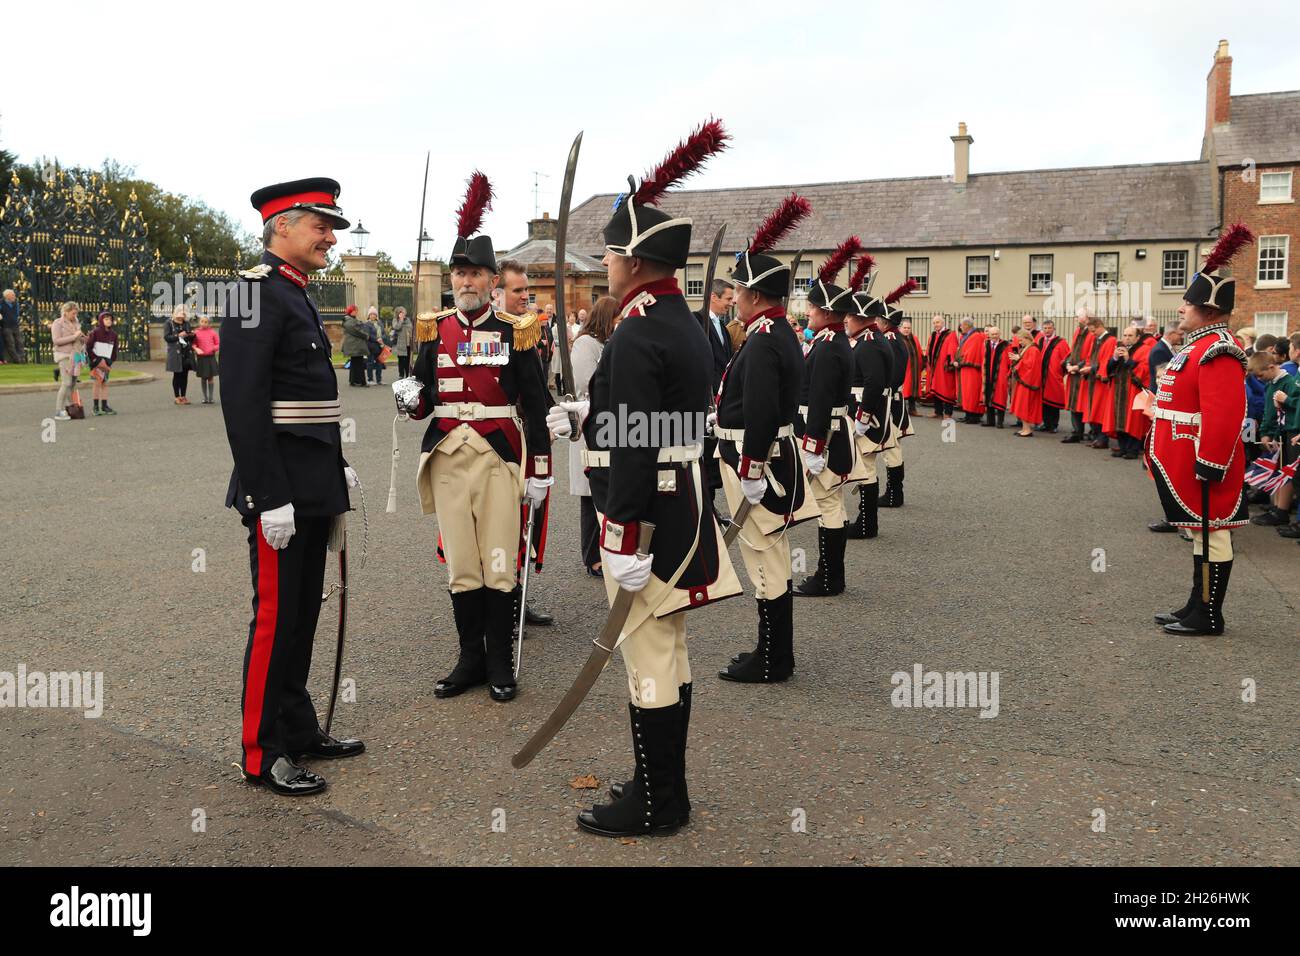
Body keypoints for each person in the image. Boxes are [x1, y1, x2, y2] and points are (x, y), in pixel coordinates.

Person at [550, 123, 739, 836]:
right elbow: (655, 424)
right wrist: (592, 416)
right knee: (671, 647)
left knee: (648, 654)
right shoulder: (680, 323)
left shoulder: (634, 332)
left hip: (648, 513)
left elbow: (635, 450)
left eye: (609, 251)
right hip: (682, 499)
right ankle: (667, 788)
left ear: (632, 259)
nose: (603, 261)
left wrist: (621, 535)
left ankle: (657, 803)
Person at [220, 176, 365, 796]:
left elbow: (307, 400)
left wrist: (335, 464)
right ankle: (261, 750)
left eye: (333, 226)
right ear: (282, 225)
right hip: (280, 488)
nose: (332, 236)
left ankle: (299, 728)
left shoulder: (297, 294)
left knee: (304, 614)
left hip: (312, 481)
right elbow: (244, 405)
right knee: (276, 619)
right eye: (321, 225)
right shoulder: (255, 293)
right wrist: (266, 494)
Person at [394, 173, 552, 705]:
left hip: (499, 453)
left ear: (491, 279)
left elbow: (534, 402)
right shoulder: (431, 328)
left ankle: (500, 661)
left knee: (500, 560)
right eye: (459, 272)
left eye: (475, 273)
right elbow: (421, 399)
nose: (465, 281)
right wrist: (409, 398)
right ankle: (469, 658)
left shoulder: (515, 329)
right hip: (446, 453)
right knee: (463, 562)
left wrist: (543, 466)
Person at [714, 194, 815, 682]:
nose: (733, 296)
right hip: (768, 456)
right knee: (768, 557)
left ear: (755, 294)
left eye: (737, 289)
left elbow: (757, 412)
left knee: (764, 560)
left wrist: (750, 468)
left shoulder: (763, 340)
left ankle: (773, 658)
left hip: (757, 461)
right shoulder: (775, 333)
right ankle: (773, 653)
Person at [1148, 224, 1254, 636]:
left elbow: (1224, 414)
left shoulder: (1219, 349)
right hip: (1184, 453)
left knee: (1214, 534)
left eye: (1188, 303)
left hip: (1204, 459)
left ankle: (1209, 615)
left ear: (1207, 309)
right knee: (1200, 533)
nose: (1180, 308)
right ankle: (1196, 604)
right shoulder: (1197, 345)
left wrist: (1210, 462)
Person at [792, 237, 860, 597]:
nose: (809, 311)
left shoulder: (831, 346)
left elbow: (819, 399)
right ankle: (830, 574)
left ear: (829, 314)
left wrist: (814, 447)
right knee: (829, 503)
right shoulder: (828, 341)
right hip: (826, 431)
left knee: (829, 503)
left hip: (826, 435)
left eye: (815, 308)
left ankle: (830, 577)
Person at [494, 257, 555, 627]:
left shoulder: (524, 331)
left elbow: (535, 390)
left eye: (526, 291)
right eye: (518, 291)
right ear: (496, 291)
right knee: (502, 523)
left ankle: (517, 595)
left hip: (527, 440)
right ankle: (500, 602)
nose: (525, 298)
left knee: (526, 521)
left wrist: (550, 419)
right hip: (501, 443)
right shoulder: (488, 334)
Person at [568, 296, 620, 576]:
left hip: (608, 425)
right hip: (588, 424)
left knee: (605, 494)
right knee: (590, 496)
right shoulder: (586, 343)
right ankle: (592, 557)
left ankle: (607, 551)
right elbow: (584, 383)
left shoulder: (607, 344)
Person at [843, 263, 894, 540]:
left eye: (850, 316)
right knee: (867, 467)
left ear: (861, 317)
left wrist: (862, 418)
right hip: (871, 411)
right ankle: (866, 520)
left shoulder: (871, 342)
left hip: (869, 414)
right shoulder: (871, 338)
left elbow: (873, 383)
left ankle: (866, 523)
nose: (846, 321)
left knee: (867, 468)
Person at [696, 278, 735, 508]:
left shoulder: (723, 326)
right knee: (706, 457)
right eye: (728, 299)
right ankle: (705, 508)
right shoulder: (697, 321)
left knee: (714, 457)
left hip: (719, 400)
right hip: (705, 400)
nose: (731, 303)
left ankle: (710, 507)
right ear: (713, 296)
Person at [1106, 324, 1152, 459]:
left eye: (1130, 335)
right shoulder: (1120, 348)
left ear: (1138, 337)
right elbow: (1108, 369)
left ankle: (1132, 450)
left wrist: (1128, 359)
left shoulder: (1145, 349)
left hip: (1133, 391)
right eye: (1125, 335)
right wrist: (1114, 358)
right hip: (1118, 389)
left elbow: (1144, 370)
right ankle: (1122, 447)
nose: (1127, 338)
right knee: (1119, 419)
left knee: (1133, 421)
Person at [1081, 314, 1116, 448]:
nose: (1092, 334)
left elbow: (1106, 361)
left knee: (1101, 410)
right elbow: (1090, 357)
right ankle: (1096, 437)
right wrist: (1087, 366)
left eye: (1093, 330)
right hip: (1093, 379)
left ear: (1100, 327)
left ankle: (1102, 439)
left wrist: (1091, 369)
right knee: (1093, 409)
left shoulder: (1110, 340)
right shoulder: (1097, 340)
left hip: (1101, 381)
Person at [1061, 307, 1095, 443]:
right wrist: (1068, 363)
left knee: (1086, 404)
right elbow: (1072, 350)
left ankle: (1093, 431)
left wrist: (1078, 366)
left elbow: (1091, 355)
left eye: (1078, 317)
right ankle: (1077, 431)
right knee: (1074, 404)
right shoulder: (1077, 332)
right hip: (1074, 373)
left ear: (1085, 318)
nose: (1076, 319)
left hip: (1083, 374)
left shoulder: (1091, 334)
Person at [50, 301, 85, 421]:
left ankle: (72, 408)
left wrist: (83, 338)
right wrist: (74, 336)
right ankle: (58, 411)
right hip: (64, 355)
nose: (74, 316)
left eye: (76, 313)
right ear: (66, 312)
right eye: (73, 313)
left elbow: (78, 339)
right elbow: (56, 340)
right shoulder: (57, 323)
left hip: (76, 356)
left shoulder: (76, 323)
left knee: (73, 383)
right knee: (66, 383)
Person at [84, 310, 120, 415]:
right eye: (106, 319)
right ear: (101, 320)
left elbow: (114, 350)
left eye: (110, 319)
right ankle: (95, 407)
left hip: (107, 362)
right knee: (97, 383)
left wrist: (111, 361)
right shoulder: (95, 332)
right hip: (97, 362)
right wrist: (95, 359)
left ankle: (104, 406)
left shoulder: (114, 335)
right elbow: (89, 347)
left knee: (105, 383)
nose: (109, 321)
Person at [1037, 318, 1069, 432]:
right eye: (1045, 328)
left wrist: (1062, 373)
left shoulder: (1061, 342)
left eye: (1049, 328)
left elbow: (1066, 358)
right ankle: (1046, 423)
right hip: (1042, 376)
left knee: (1053, 402)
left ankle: (1054, 425)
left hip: (1054, 376)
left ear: (1054, 329)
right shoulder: (1040, 341)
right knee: (1043, 402)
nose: (1047, 330)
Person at [1008, 329, 1042, 436]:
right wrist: (1018, 359)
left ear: (1027, 338)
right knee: (1021, 405)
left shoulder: (1033, 350)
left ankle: (1027, 429)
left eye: (1021, 340)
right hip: (1023, 381)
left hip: (1028, 383)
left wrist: (1019, 359)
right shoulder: (1028, 348)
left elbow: (1031, 367)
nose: (1020, 342)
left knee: (1025, 406)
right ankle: (1024, 428)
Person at [954, 317, 988, 423]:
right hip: (966, 368)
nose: (960, 327)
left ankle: (974, 415)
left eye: (962, 325)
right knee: (967, 393)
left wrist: (960, 361)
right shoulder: (969, 336)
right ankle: (968, 413)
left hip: (972, 369)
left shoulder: (976, 336)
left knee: (972, 393)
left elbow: (972, 352)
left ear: (967, 326)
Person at [925, 314, 957, 419]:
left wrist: (950, 362)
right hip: (934, 368)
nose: (936, 325)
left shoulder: (950, 334)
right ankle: (938, 412)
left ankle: (948, 413)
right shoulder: (933, 335)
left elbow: (952, 348)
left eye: (937, 322)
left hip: (944, 367)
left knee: (947, 389)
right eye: (934, 323)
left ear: (942, 323)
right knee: (935, 388)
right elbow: (929, 348)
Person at [164, 305, 194, 405]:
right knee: (177, 375)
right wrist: (178, 336)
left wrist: (191, 335)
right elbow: (167, 337)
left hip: (186, 352)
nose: (183, 314)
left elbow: (190, 338)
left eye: (184, 312)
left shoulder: (186, 323)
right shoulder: (169, 323)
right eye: (181, 311)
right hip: (175, 352)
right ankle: (177, 397)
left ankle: (183, 396)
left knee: (185, 375)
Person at [983, 324, 1011, 428]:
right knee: (988, 396)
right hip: (988, 375)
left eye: (996, 334)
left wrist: (1007, 374)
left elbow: (1009, 361)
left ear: (1000, 334)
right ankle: (990, 421)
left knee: (1000, 397)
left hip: (1001, 376)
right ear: (989, 335)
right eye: (992, 334)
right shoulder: (986, 345)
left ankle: (1000, 421)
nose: (994, 336)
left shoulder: (1006, 345)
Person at [191, 314, 220, 404]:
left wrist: (212, 348)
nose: (204, 323)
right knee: (203, 378)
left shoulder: (213, 332)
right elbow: (193, 344)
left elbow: (219, 344)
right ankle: (205, 397)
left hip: (210, 357)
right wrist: (196, 348)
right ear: (199, 322)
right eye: (202, 321)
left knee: (210, 378)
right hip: (201, 358)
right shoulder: (196, 332)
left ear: (209, 323)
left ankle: (211, 398)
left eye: (206, 322)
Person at [898, 318, 923, 417]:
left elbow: (919, 352)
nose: (907, 330)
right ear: (900, 328)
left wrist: (922, 364)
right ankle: (901, 411)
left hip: (914, 370)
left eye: (908, 328)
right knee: (903, 391)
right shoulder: (898, 339)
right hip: (903, 369)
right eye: (905, 328)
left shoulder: (914, 338)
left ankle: (912, 409)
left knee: (913, 390)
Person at [342, 304, 368, 387]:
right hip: (355, 345)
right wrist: (366, 335)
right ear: (351, 311)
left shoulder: (350, 320)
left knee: (355, 363)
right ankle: (360, 381)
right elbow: (357, 331)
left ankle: (354, 380)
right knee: (358, 363)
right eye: (355, 310)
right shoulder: (349, 321)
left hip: (355, 345)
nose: (356, 312)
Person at [1, 289, 24, 364]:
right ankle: (17, 359)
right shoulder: (1, 303)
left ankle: (21, 358)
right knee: (11, 343)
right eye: (12, 295)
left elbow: (17, 314)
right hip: (6, 326)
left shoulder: (15, 304)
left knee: (19, 342)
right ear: (7, 296)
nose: (14, 296)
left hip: (15, 325)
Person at [364, 306, 385, 385]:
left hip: (380, 346)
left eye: (374, 314)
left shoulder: (380, 323)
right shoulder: (367, 324)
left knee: (379, 363)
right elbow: (367, 335)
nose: (373, 316)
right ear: (369, 315)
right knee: (370, 363)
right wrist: (377, 339)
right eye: (371, 314)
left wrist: (381, 338)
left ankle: (379, 380)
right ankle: (370, 379)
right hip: (371, 346)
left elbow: (384, 333)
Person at [391, 306, 412, 379]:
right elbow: (396, 327)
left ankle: (407, 374)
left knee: (407, 359)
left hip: (408, 343)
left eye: (404, 312)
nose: (404, 313)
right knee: (401, 360)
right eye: (402, 312)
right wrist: (401, 320)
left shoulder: (408, 320)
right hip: (401, 343)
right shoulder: (395, 320)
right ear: (399, 313)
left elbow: (411, 328)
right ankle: (401, 374)